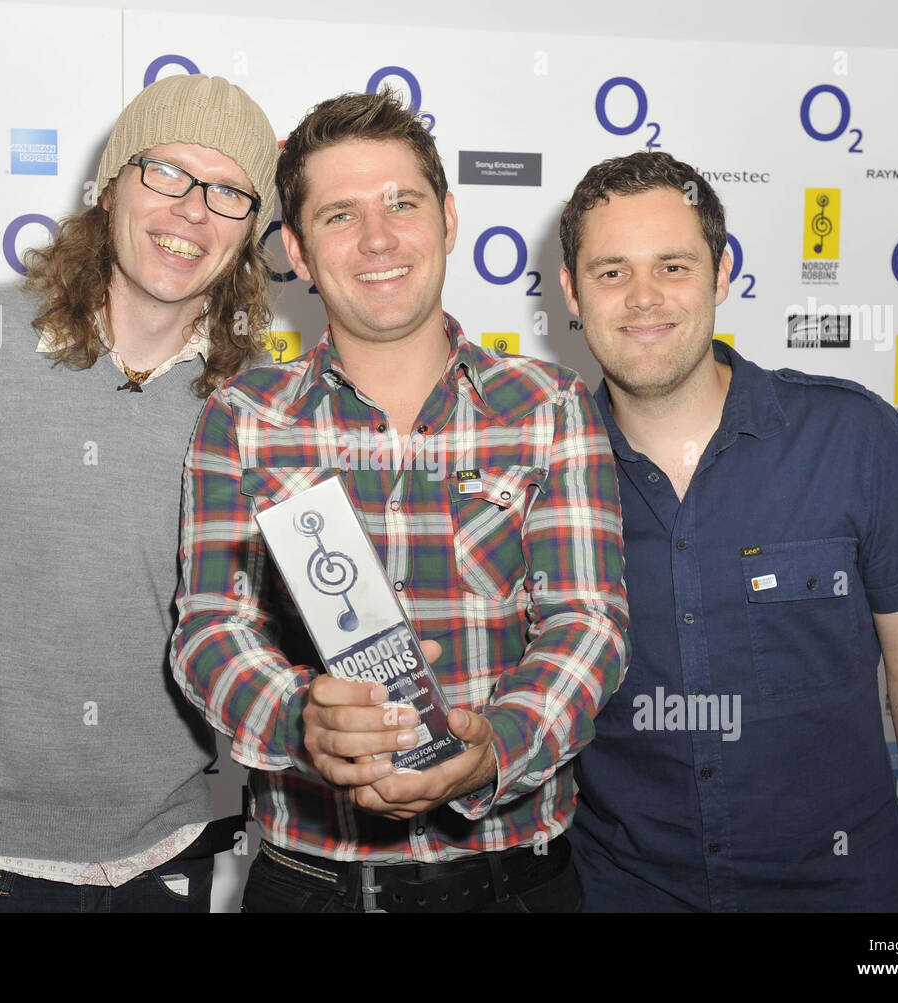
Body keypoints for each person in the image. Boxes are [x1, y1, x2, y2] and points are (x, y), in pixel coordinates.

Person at [0, 74, 278, 912]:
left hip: (171, 854)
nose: (191, 211)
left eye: (229, 192)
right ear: (110, 185)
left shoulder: (262, 397)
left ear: (251, 231)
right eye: (165, 171)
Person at [170, 89, 629, 913]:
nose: (378, 239)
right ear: (299, 253)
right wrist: (299, 720)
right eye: (340, 215)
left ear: (449, 219)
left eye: (402, 203)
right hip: (311, 884)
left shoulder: (549, 407)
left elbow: (588, 620)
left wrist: (500, 745)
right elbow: (211, 627)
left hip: (514, 883)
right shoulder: (240, 419)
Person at [559, 151, 898, 912]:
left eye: (673, 265)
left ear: (722, 275)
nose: (643, 298)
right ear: (571, 291)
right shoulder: (546, 470)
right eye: (611, 271)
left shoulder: (851, 436)